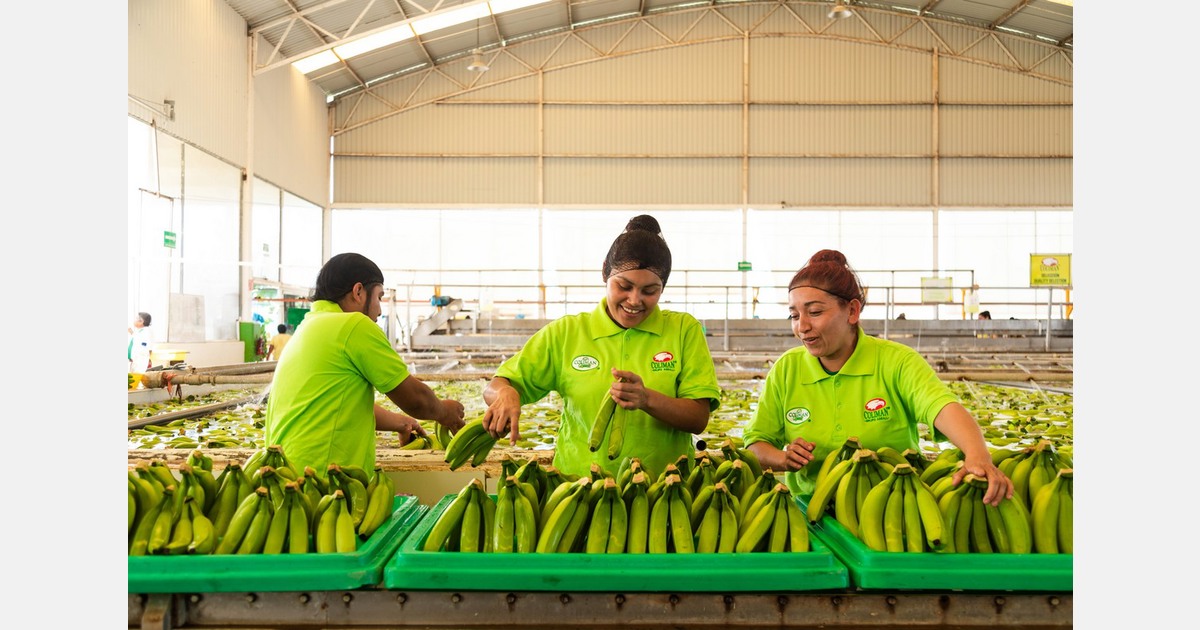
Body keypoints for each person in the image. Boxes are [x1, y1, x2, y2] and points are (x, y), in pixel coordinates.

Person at [742, 249, 1013, 506]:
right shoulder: (787, 370)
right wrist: (782, 458)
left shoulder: (896, 362)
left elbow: (941, 406)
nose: (802, 326)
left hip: (893, 507)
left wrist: (977, 454)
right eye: (794, 315)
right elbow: (756, 443)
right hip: (809, 512)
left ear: (852, 311)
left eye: (814, 312)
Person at [481, 215, 722, 479]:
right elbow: (496, 385)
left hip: (663, 492)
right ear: (605, 271)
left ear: (663, 287)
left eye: (649, 291)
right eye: (624, 286)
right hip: (578, 489)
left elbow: (698, 417)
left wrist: (647, 399)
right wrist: (506, 393)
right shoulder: (567, 333)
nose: (634, 300)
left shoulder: (683, 330)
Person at [264, 252, 466, 476]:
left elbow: (333, 405)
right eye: (379, 297)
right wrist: (443, 412)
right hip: (323, 476)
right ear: (358, 291)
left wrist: (400, 423)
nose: (379, 310)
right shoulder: (353, 324)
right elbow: (415, 399)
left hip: (287, 471)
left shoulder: (308, 327)